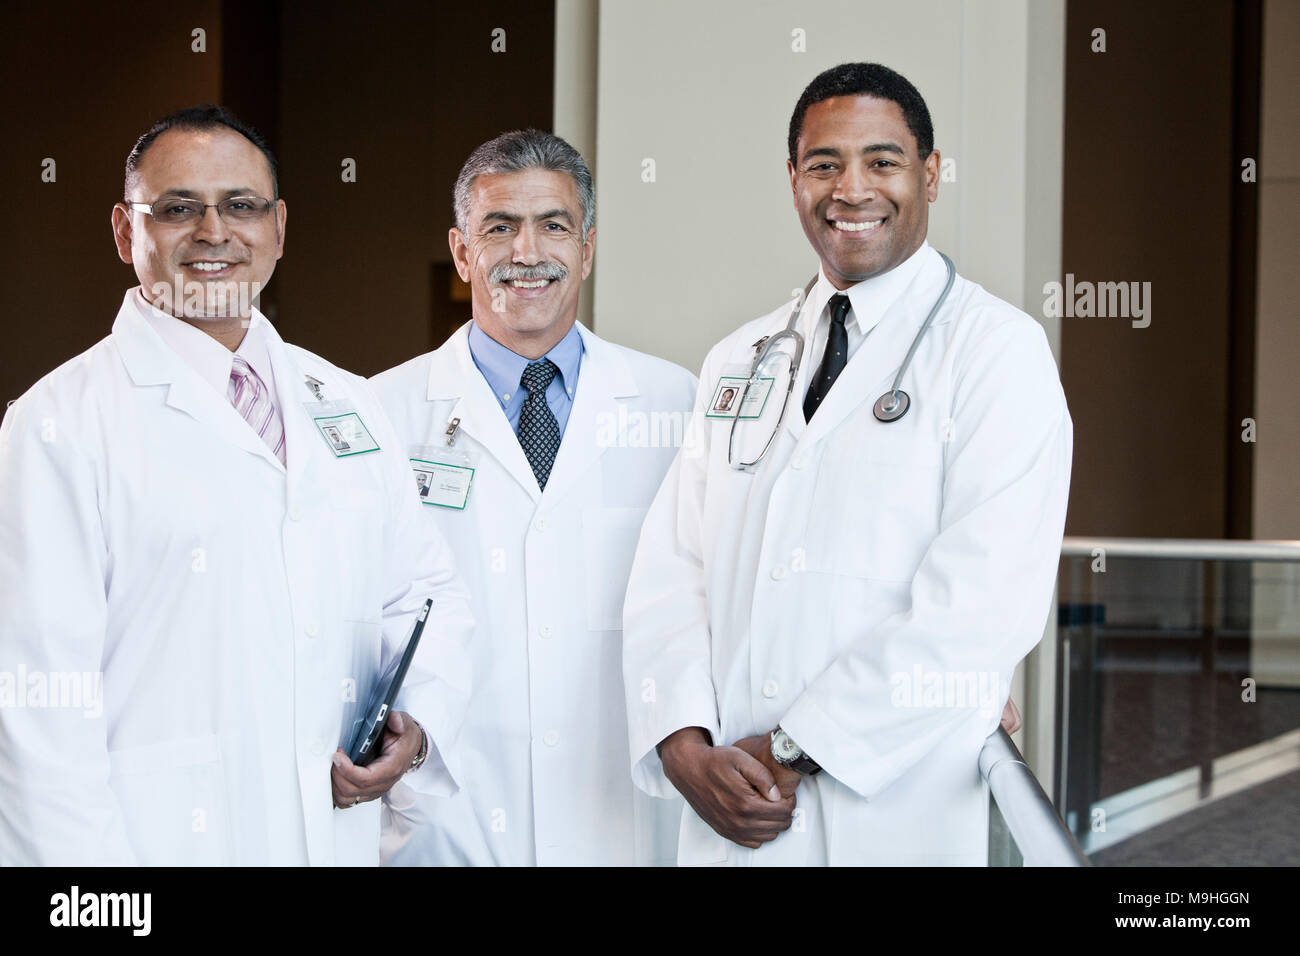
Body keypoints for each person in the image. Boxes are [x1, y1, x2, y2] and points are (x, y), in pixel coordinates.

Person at [622, 63, 1071, 865]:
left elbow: (979, 608)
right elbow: (672, 571)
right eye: (824, 164)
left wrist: (793, 748)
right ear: (793, 179)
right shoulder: (740, 358)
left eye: (883, 162)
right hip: (733, 809)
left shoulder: (997, 354)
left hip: (892, 808)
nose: (851, 189)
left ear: (930, 175)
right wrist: (681, 744)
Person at [0, 105, 473, 865]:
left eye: (242, 206)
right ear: (128, 232)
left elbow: (424, 593)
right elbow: (38, 710)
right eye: (179, 208)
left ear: (278, 229)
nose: (214, 232)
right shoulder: (60, 424)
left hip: (330, 838)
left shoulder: (348, 401)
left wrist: (415, 728)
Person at [372, 130, 697, 865]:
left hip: (616, 815)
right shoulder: (381, 415)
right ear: (462, 253)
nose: (528, 252)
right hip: (444, 820)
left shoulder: (674, 402)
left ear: (586, 249)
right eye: (499, 228)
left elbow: (726, 591)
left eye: (553, 225)